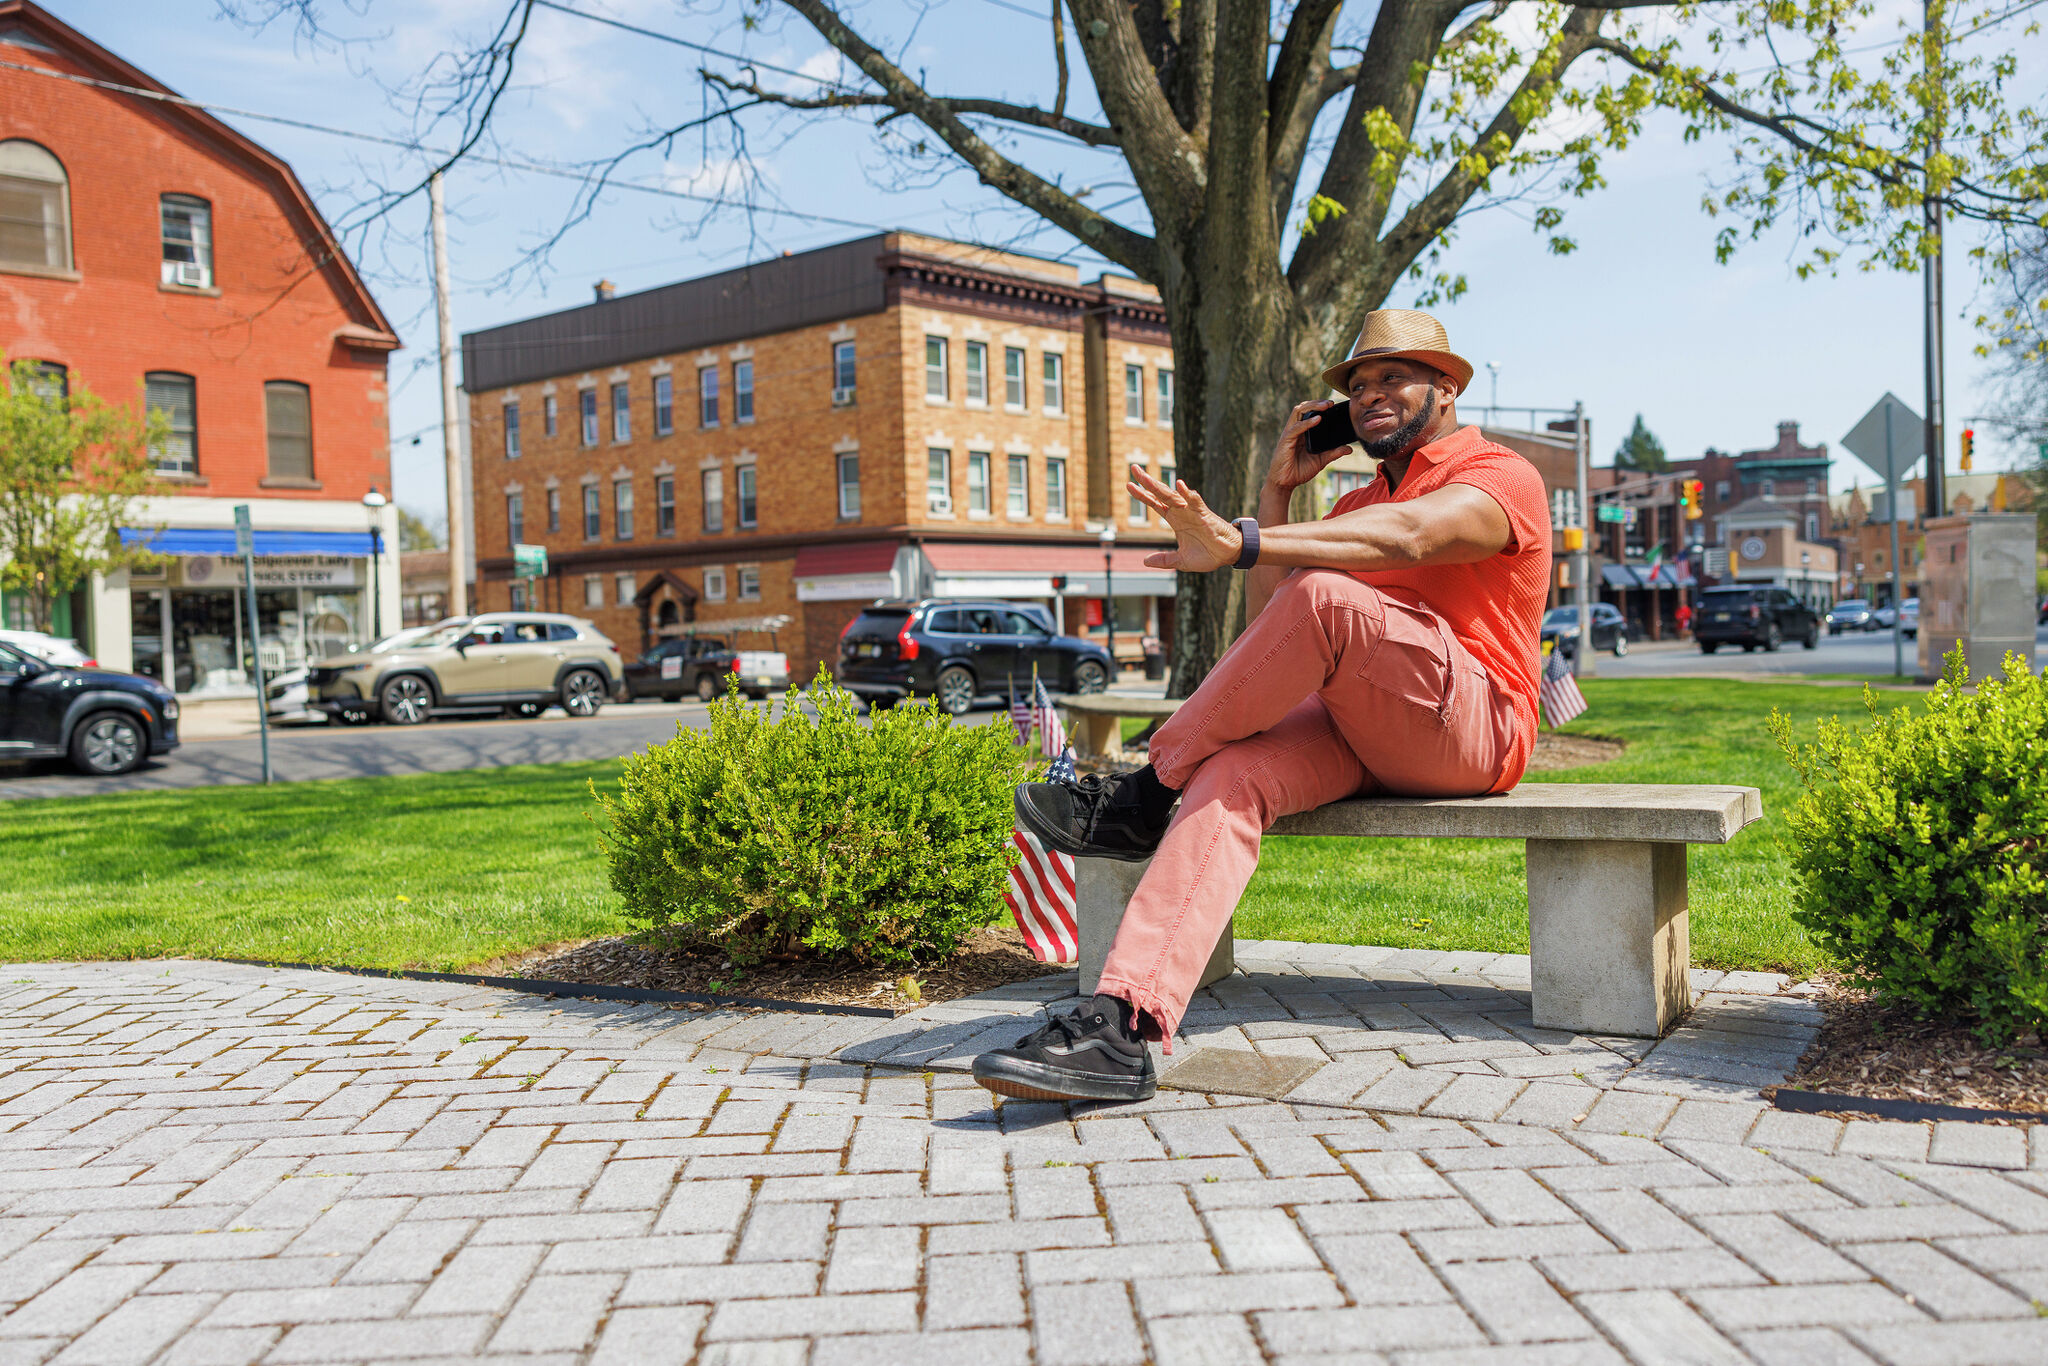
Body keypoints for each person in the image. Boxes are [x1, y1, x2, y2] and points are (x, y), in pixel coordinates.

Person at [972, 310, 1551, 1103]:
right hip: (1367, 727)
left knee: (1322, 596)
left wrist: (1244, 539)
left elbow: (1414, 536)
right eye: (1358, 384)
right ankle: (1122, 1026)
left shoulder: (1498, 474)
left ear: (1445, 388)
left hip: (1479, 729)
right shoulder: (1345, 513)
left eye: (1393, 377)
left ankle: (1143, 792)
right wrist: (1276, 495)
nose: (1371, 393)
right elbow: (1269, 638)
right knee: (1234, 772)